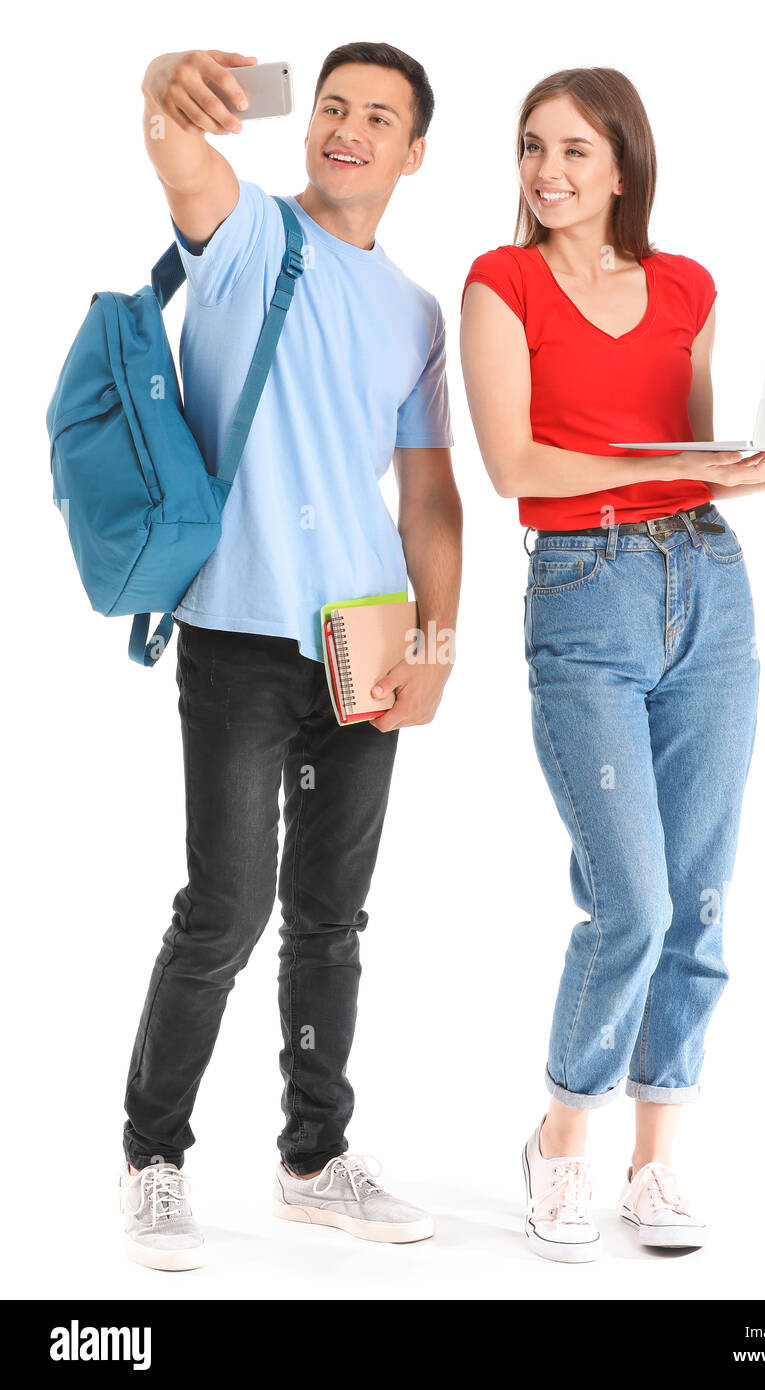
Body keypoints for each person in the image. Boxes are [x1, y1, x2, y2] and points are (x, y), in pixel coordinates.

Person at [460, 66, 765, 1263]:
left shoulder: (687, 286)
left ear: (623, 164)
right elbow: (516, 464)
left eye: (575, 150)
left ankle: (657, 1163)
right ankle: (562, 1144)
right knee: (628, 899)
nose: (548, 173)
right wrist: (670, 466)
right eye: (533, 148)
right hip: (584, 591)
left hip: (709, 586)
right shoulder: (501, 281)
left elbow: (697, 453)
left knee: (703, 893)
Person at [120, 41, 461, 1270]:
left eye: (378, 116)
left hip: (361, 642)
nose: (347, 129)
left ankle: (314, 1157)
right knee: (226, 906)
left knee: (330, 917)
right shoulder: (256, 234)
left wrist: (437, 640)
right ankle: (153, 1154)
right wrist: (165, 78)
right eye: (330, 107)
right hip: (238, 635)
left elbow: (429, 497)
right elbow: (177, 156)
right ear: (306, 125)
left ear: (414, 152)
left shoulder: (417, 312)